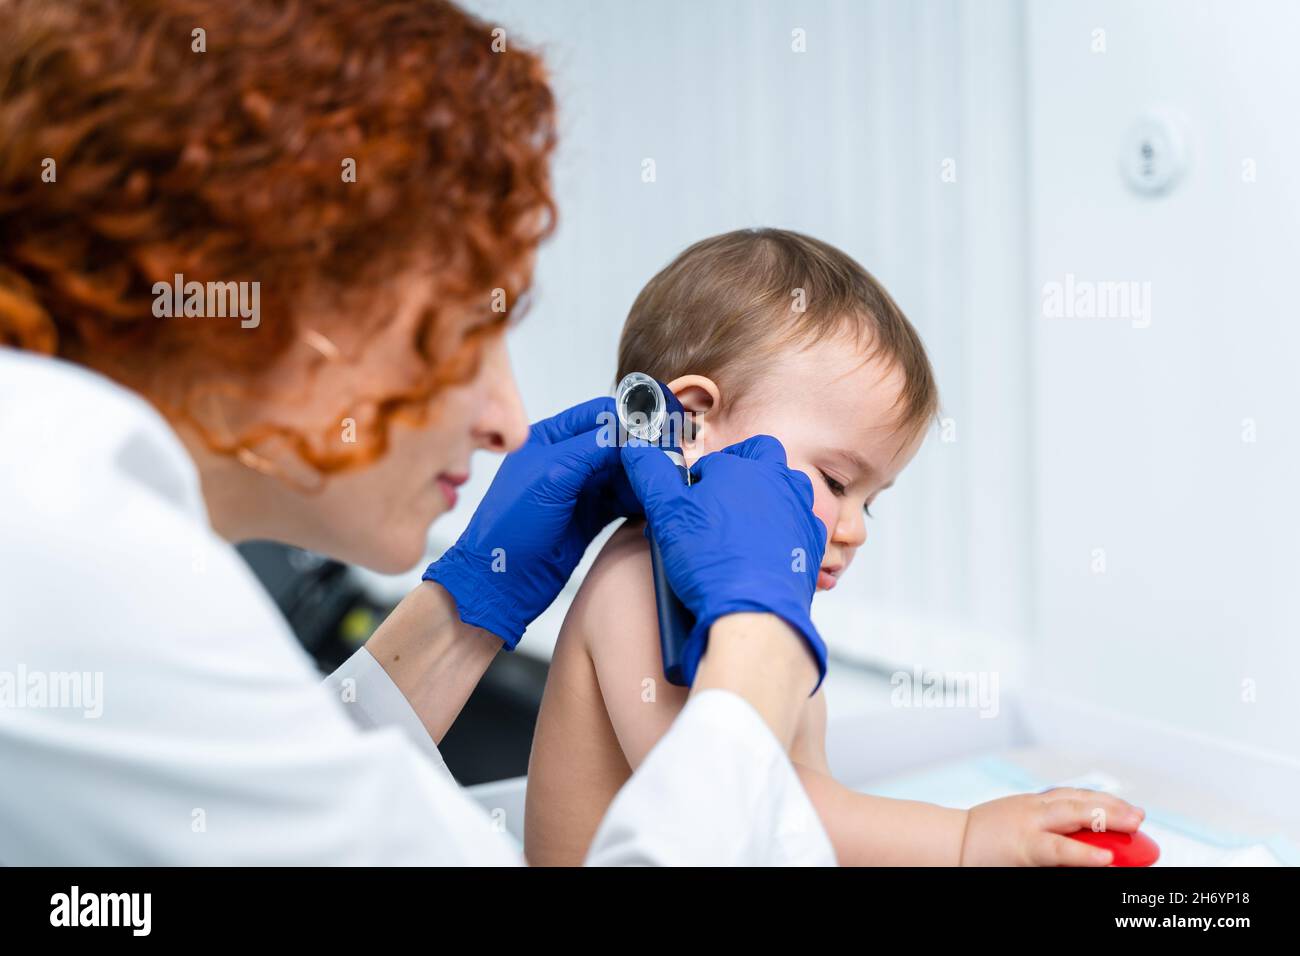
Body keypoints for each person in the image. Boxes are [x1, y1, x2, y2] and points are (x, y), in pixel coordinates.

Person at [0, 0, 833, 864]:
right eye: (469, 329)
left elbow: (262, 792)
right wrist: (756, 659)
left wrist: (466, 608)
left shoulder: (51, 496)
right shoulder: (61, 547)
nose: (510, 425)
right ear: (276, 289)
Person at [524, 229, 1145, 865]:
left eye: (870, 500)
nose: (858, 528)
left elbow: (804, 807)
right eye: (838, 483)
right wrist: (964, 841)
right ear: (690, 422)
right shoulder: (638, 583)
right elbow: (757, 816)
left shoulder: (759, 611)